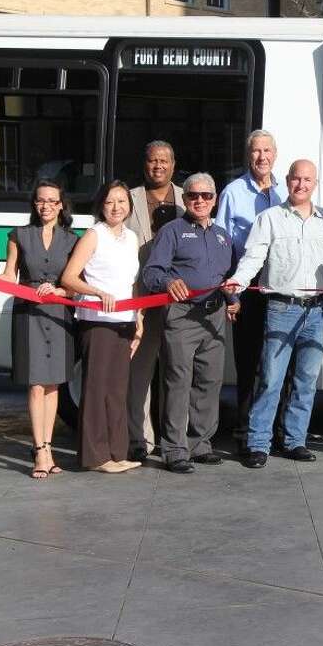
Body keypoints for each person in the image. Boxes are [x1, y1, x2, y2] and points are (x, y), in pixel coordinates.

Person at [224, 160, 323, 468]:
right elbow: (253, 259)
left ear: (315, 183)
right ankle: (258, 444)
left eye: (307, 179)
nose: (301, 184)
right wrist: (236, 285)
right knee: (270, 379)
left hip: (317, 312)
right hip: (281, 308)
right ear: (287, 181)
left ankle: (294, 441)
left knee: (306, 381)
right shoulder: (269, 219)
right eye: (296, 178)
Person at [142, 172, 240, 474]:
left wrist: (235, 300)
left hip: (214, 317)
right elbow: (151, 273)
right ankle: (174, 449)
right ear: (184, 200)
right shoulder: (171, 231)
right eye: (193, 196)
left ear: (215, 200)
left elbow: (231, 279)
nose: (200, 201)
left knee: (209, 382)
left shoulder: (224, 236)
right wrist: (169, 281)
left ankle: (200, 445)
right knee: (178, 382)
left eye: (206, 196)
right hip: (182, 315)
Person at [61, 180, 144, 474]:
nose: (116, 207)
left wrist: (139, 319)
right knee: (96, 389)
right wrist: (97, 293)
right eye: (110, 202)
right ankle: (96, 457)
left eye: (122, 201)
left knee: (117, 390)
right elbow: (69, 278)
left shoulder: (132, 238)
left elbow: (131, 284)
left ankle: (117, 452)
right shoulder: (94, 235)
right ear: (101, 206)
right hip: (96, 322)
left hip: (123, 322)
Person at [0, 180, 79, 478]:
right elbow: (9, 275)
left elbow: (74, 288)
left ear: (61, 205)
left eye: (52, 201)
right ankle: (39, 451)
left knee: (54, 384)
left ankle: (48, 445)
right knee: (35, 384)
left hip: (58, 314)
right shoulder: (18, 236)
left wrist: (59, 290)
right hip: (28, 313)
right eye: (40, 201)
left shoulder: (72, 240)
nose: (46, 206)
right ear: (35, 204)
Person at [215, 129, 287, 456]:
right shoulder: (232, 192)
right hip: (247, 284)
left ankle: (277, 431)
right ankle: (245, 432)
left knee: (278, 361)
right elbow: (223, 244)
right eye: (256, 151)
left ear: (275, 154)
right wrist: (233, 295)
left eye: (267, 151)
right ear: (249, 155)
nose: (262, 157)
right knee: (248, 362)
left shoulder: (286, 192)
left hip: (281, 285)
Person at [125, 140, 184, 463]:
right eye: (152, 161)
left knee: (176, 372)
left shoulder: (189, 198)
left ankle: (174, 441)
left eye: (164, 160)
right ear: (144, 164)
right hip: (141, 298)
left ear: (173, 165)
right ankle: (140, 440)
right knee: (140, 374)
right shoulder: (129, 199)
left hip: (178, 298)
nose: (157, 166)